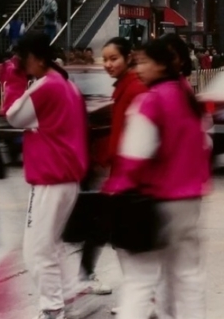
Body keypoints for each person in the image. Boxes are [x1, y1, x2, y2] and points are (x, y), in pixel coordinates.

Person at [107, 37, 211, 319]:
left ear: (161, 65)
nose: (138, 68)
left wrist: (117, 189)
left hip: (153, 201)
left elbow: (135, 157)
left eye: (143, 62)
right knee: (188, 276)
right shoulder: (187, 96)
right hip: (189, 200)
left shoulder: (150, 101)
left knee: (140, 280)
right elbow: (205, 145)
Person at [3, 32, 90, 319]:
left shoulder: (46, 87)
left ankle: (53, 307)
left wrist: (13, 80)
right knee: (51, 244)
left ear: (38, 58)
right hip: (67, 176)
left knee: (37, 250)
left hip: (51, 178)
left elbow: (14, 116)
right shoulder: (66, 85)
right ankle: (66, 291)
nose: (21, 65)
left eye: (23, 59)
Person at [77, 37, 148, 302]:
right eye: (105, 59)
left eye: (113, 58)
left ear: (129, 57)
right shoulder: (123, 88)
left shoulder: (134, 89)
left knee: (120, 235)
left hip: (127, 176)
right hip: (116, 172)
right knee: (113, 232)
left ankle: (140, 296)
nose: (108, 64)